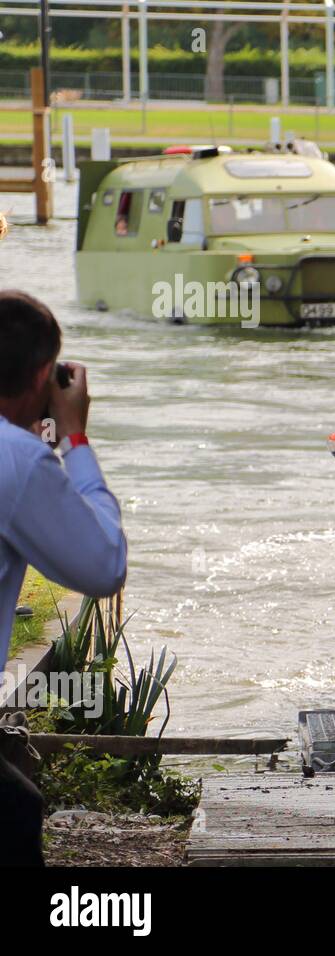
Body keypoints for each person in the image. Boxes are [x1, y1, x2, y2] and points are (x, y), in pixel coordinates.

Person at [0, 290, 129, 867]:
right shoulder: (20, 460)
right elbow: (102, 566)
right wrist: (73, 438)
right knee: (16, 813)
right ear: (39, 376)